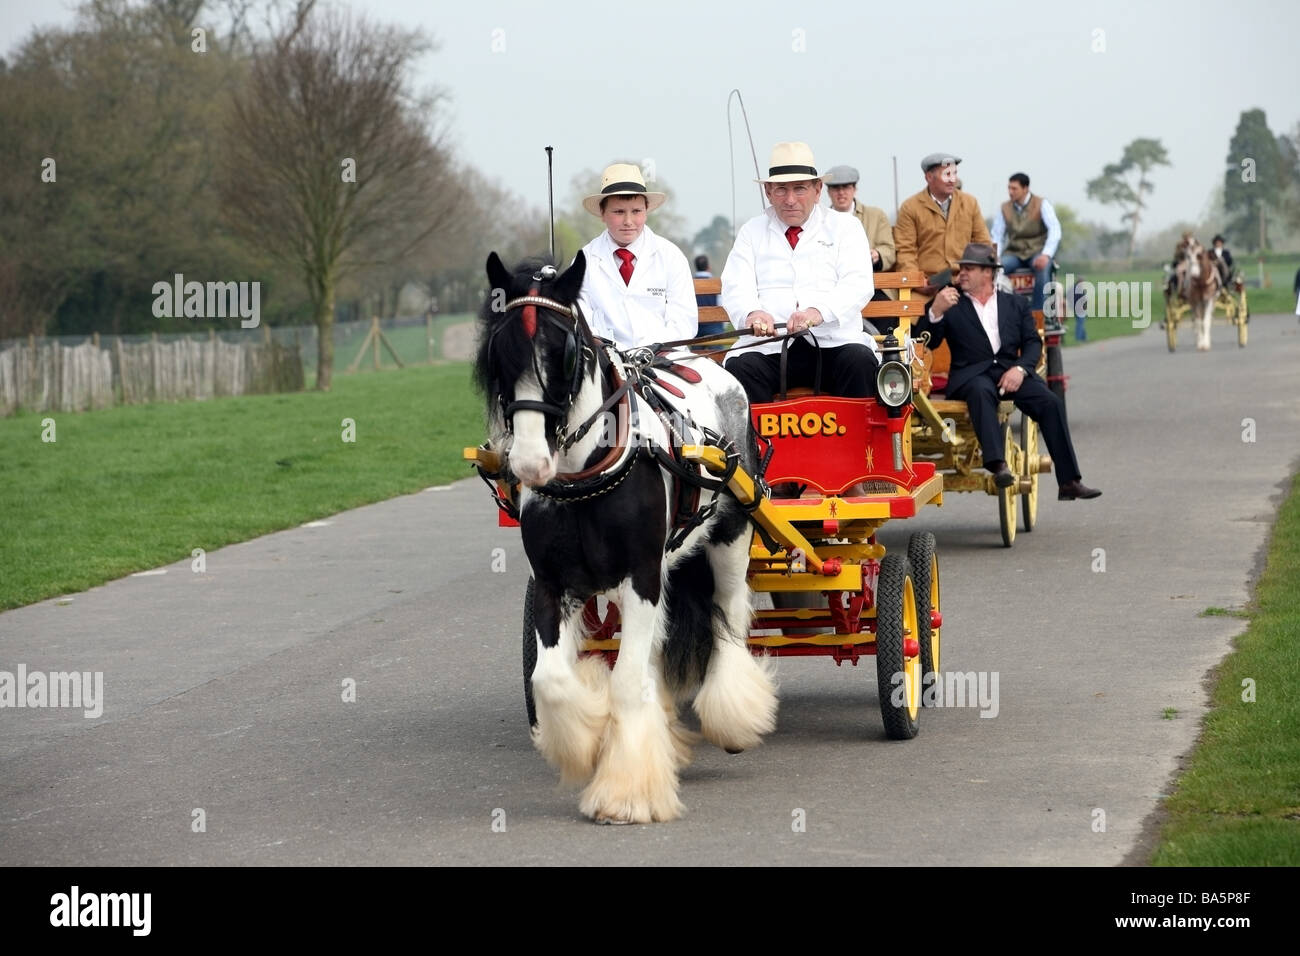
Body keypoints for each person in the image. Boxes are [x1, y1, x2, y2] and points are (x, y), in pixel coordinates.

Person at [924, 243, 1100, 501]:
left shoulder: (1015, 304)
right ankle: (998, 466)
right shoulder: (949, 302)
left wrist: (1020, 369)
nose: (962, 273)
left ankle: (1069, 481)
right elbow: (925, 341)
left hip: (1009, 372)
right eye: (961, 268)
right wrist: (935, 311)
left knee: (1050, 402)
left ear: (987, 273)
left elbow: (1032, 343)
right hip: (970, 376)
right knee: (980, 391)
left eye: (969, 269)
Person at [721, 142, 877, 406]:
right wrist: (752, 313)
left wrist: (817, 313)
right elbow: (736, 284)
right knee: (741, 368)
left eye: (799, 189)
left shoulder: (846, 227)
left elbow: (858, 284)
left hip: (834, 343)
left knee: (860, 362)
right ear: (768, 192)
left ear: (817, 190)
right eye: (781, 189)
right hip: (770, 346)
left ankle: (857, 448)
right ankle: (760, 447)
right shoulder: (752, 231)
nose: (790, 199)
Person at [575, 162, 696, 349]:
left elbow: (683, 320)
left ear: (646, 211)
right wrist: (609, 351)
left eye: (636, 211)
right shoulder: (584, 260)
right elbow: (581, 319)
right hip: (606, 361)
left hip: (665, 355)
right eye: (618, 212)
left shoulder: (670, 256)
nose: (628, 221)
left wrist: (653, 349)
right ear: (602, 213)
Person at [894, 153, 991, 297]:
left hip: (966, 284)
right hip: (927, 288)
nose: (952, 180)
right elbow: (905, 252)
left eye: (954, 174)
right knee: (917, 315)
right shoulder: (910, 207)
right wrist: (919, 283)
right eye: (946, 174)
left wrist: (968, 274)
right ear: (928, 177)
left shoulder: (970, 203)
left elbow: (982, 245)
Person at [991, 172, 1061, 312]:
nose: (1010, 192)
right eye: (1009, 188)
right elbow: (996, 235)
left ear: (1025, 189)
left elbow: (1055, 230)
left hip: (1037, 252)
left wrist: (1046, 255)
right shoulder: (1005, 208)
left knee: (1042, 269)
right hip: (1014, 253)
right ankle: (1002, 311)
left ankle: (1037, 314)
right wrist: (995, 257)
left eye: (1014, 188)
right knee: (993, 271)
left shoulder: (1042, 204)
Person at [693, 254, 726, 337]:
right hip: (714, 326)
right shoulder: (716, 283)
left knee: (695, 350)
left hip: (696, 326)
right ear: (708, 267)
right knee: (718, 349)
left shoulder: (690, 283)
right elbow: (721, 304)